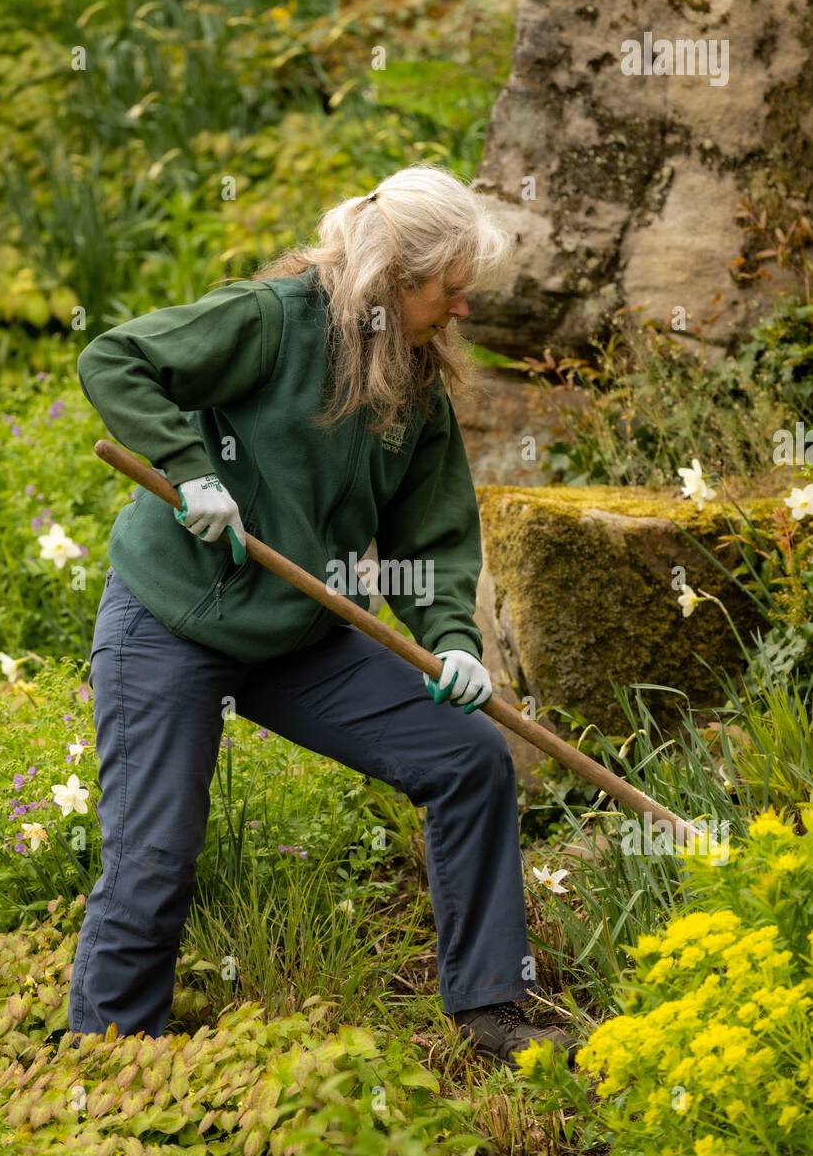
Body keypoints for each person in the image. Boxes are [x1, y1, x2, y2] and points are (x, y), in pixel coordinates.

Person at [68, 162, 576, 1069]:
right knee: (152, 861)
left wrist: (455, 644)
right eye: (450, 291)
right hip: (173, 621)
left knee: (467, 757)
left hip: (299, 633)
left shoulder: (413, 381)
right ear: (396, 276)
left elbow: (433, 534)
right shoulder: (270, 321)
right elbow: (114, 357)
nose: (462, 311)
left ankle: (492, 1007)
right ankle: (106, 1068)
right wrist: (190, 468)